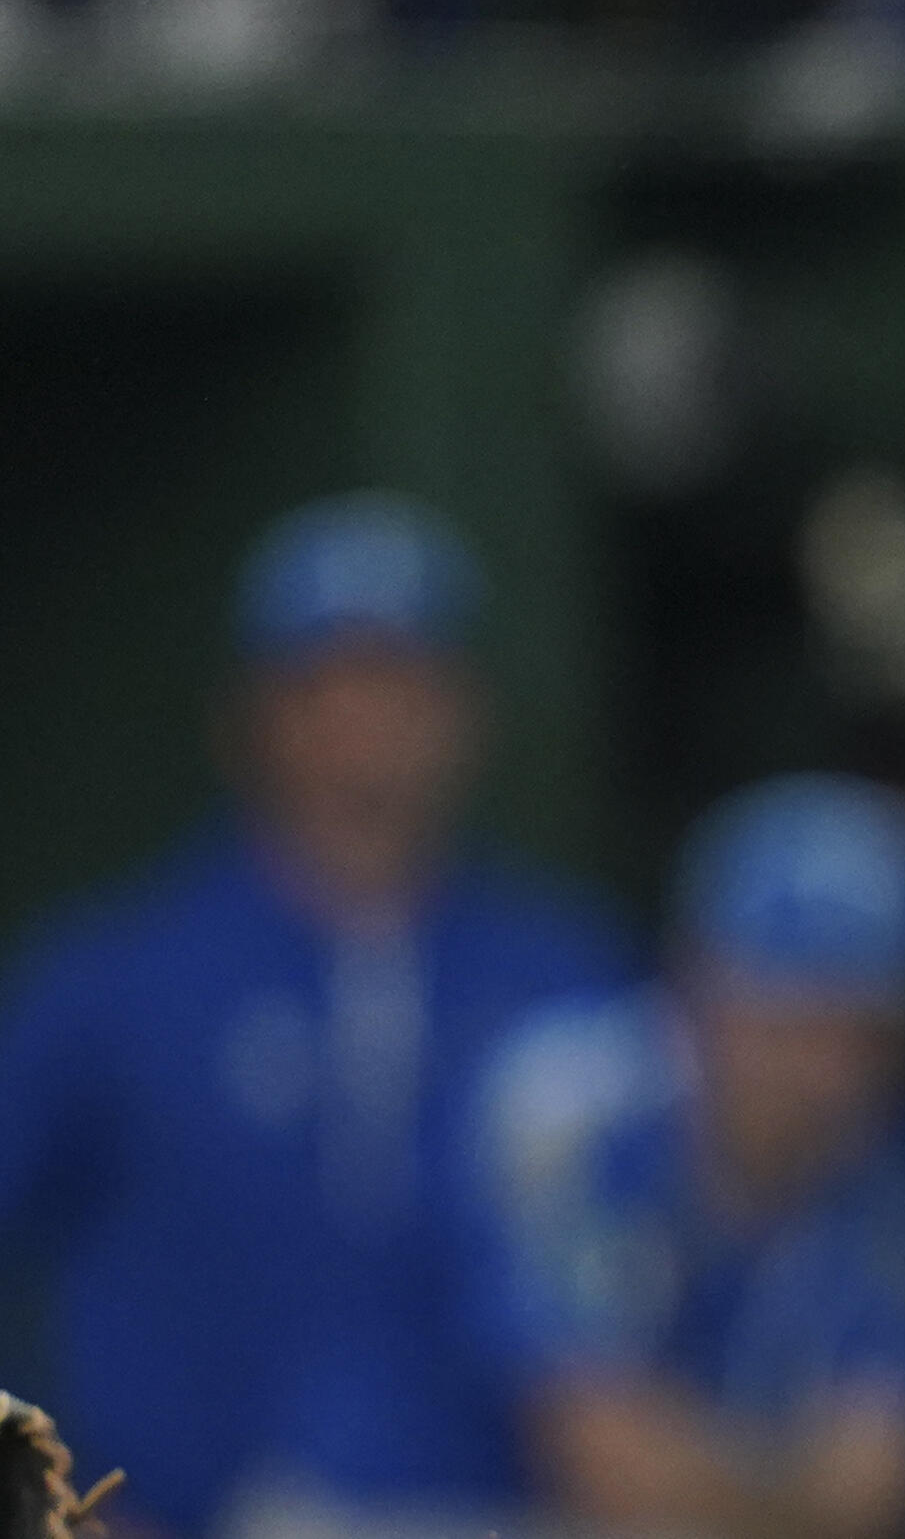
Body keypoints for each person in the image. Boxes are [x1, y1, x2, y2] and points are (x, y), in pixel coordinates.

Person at [0, 495, 629, 1539]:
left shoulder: (565, 976)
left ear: (466, 713)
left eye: (401, 684)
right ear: (250, 718)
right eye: (323, 686)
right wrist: (39, 1494)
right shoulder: (115, 975)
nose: (365, 725)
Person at [465, 775, 905, 1539]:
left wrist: (692, 1458)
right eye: (795, 1023)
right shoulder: (568, 1111)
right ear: (698, 984)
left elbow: (877, 1491)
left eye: (869, 1033)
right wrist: (786, 1478)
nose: (830, 1075)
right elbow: (604, 1462)